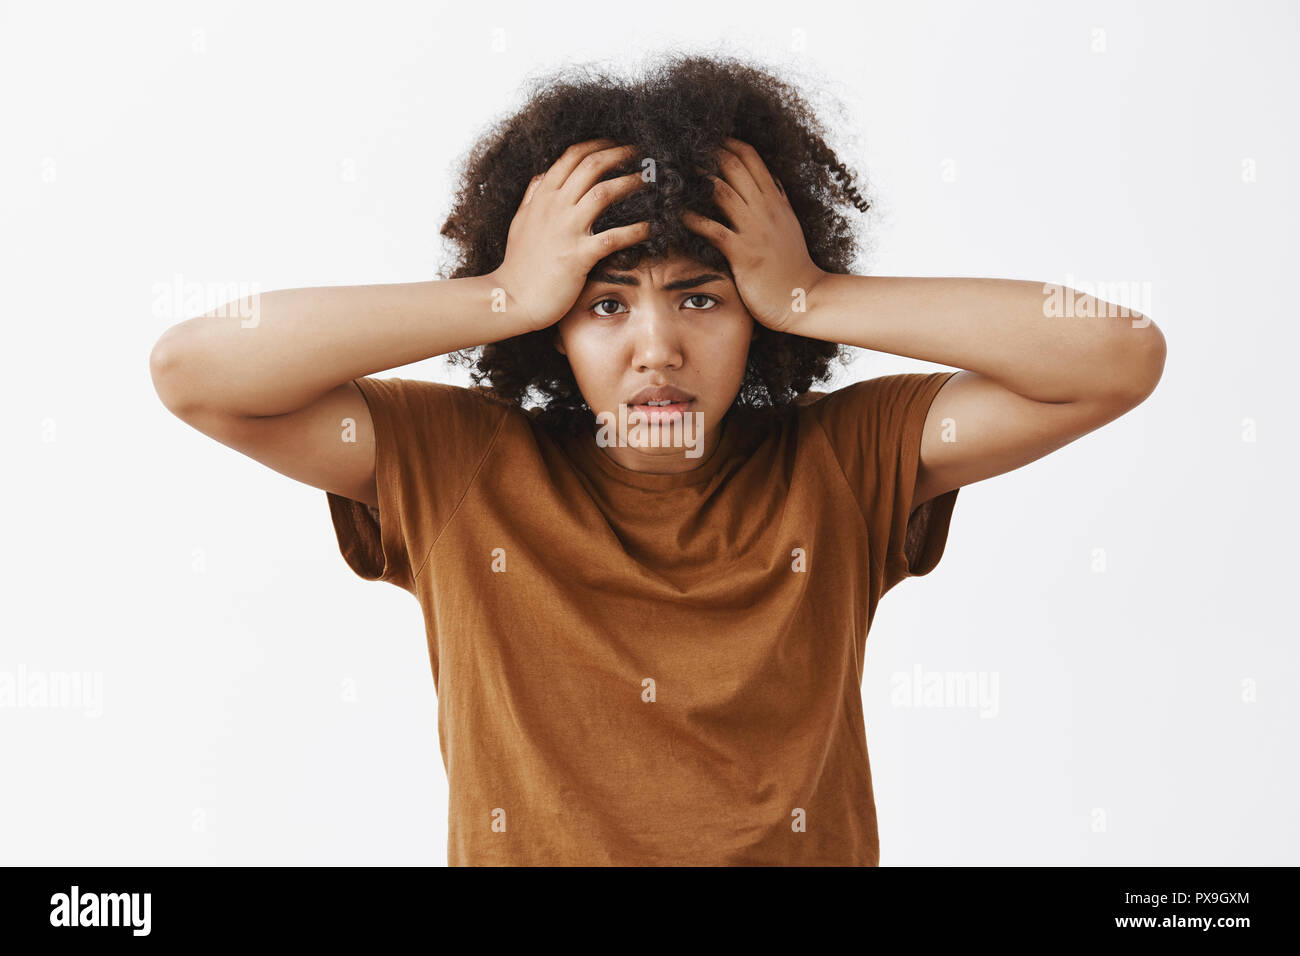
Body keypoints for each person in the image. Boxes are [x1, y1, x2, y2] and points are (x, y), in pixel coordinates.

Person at [148, 54, 1165, 865]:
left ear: (756, 315)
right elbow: (196, 370)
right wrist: (501, 292)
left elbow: (1113, 357)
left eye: (699, 296)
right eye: (604, 303)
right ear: (552, 329)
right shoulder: (457, 463)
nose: (656, 348)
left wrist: (813, 292)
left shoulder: (844, 459)